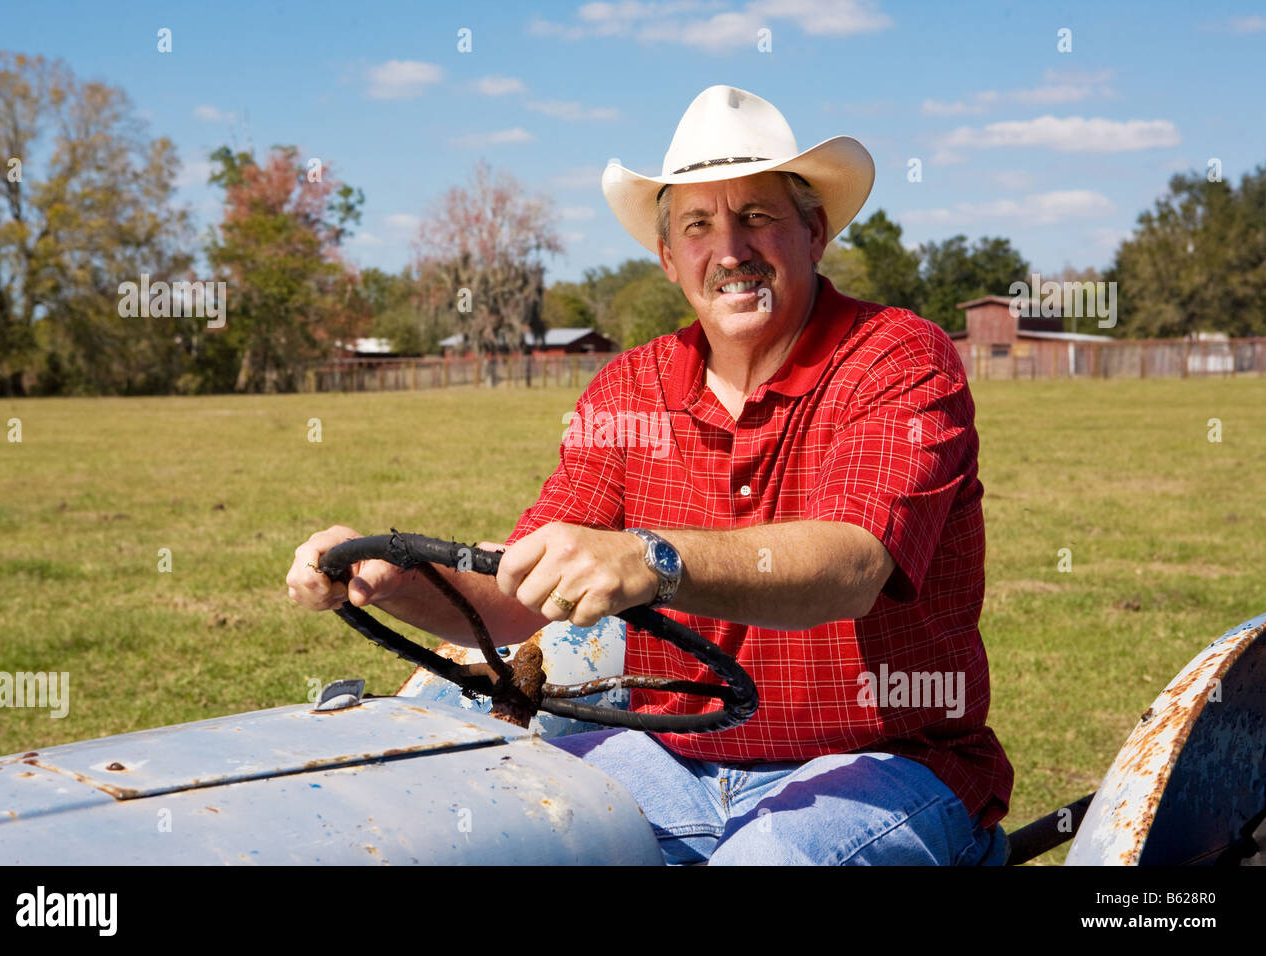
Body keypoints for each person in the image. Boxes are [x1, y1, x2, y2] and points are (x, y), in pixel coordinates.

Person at [286, 85, 1013, 865]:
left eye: (757, 216)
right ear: (670, 258)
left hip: (884, 763)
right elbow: (518, 596)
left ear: (815, 231)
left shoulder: (895, 356)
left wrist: (650, 560)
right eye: (698, 224)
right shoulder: (629, 389)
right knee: (491, 834)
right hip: (673, 757)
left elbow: (853, 566)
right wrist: (392, 574)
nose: (729, 248)